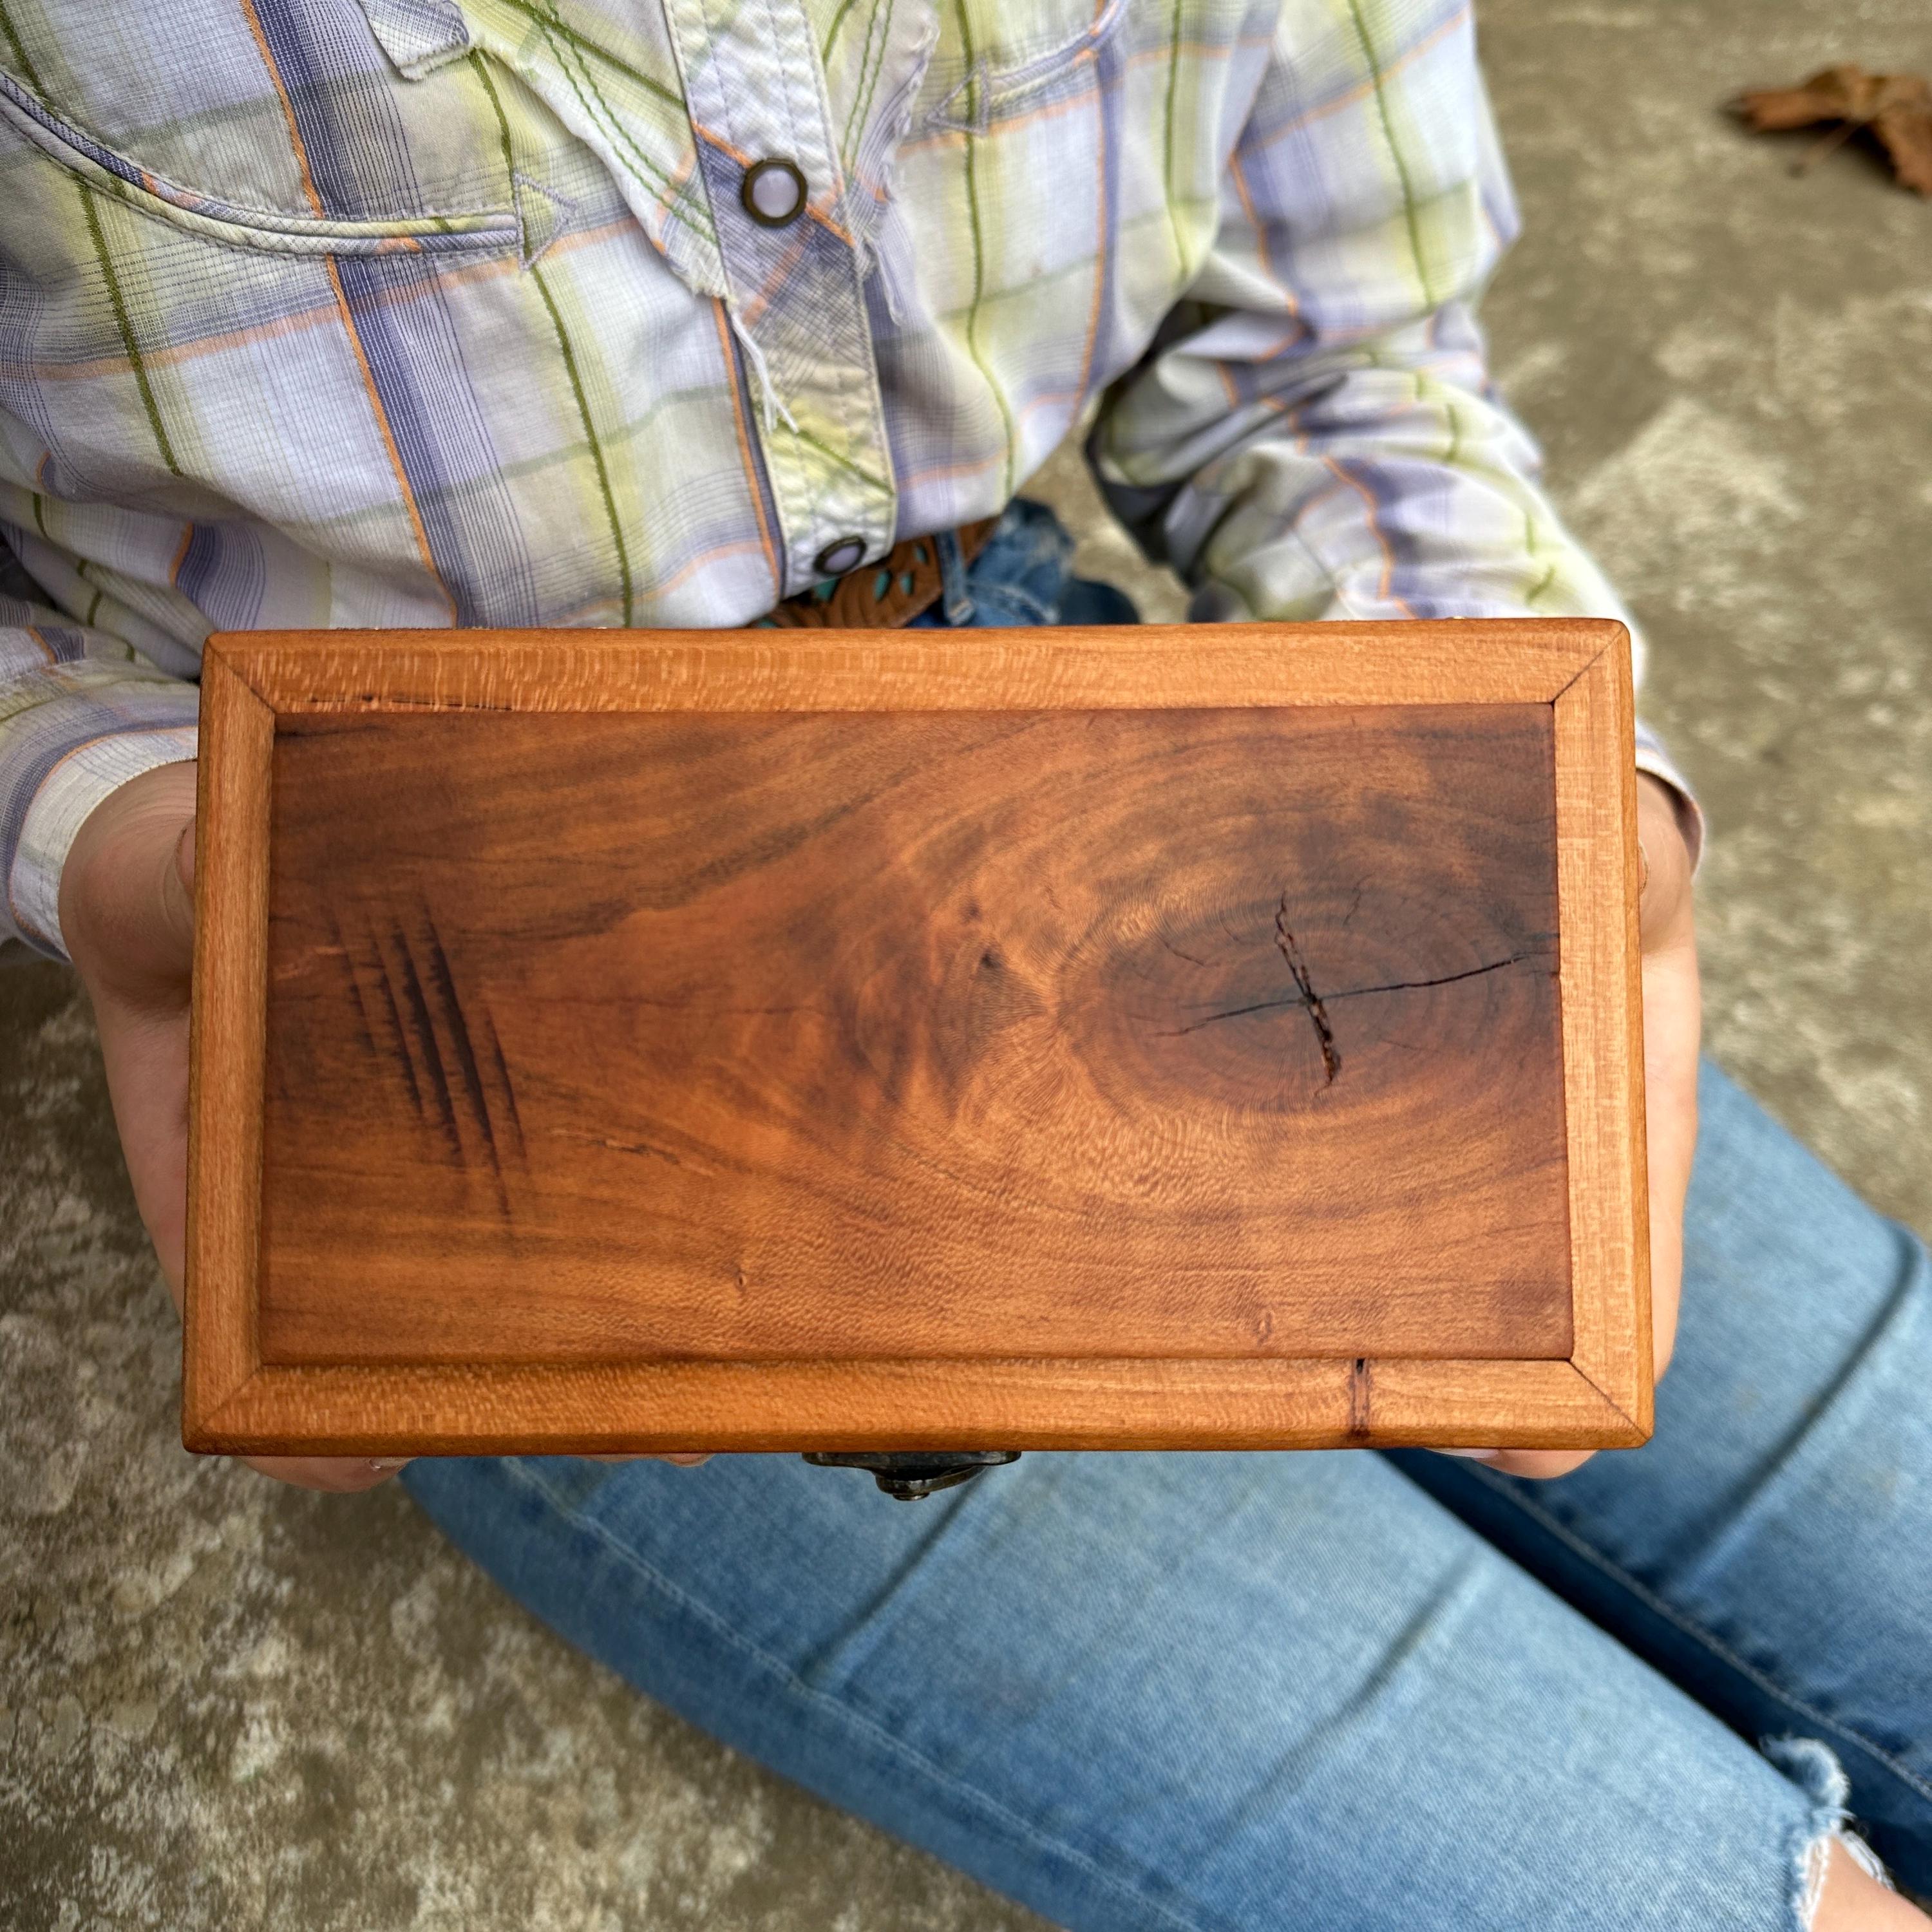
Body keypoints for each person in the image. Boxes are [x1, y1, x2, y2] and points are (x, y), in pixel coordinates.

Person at [5, 1, 1925, 1924]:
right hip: (462, 1002)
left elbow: (1332, 356)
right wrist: (120, 838)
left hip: (1105, 767)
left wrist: (1537, 779)